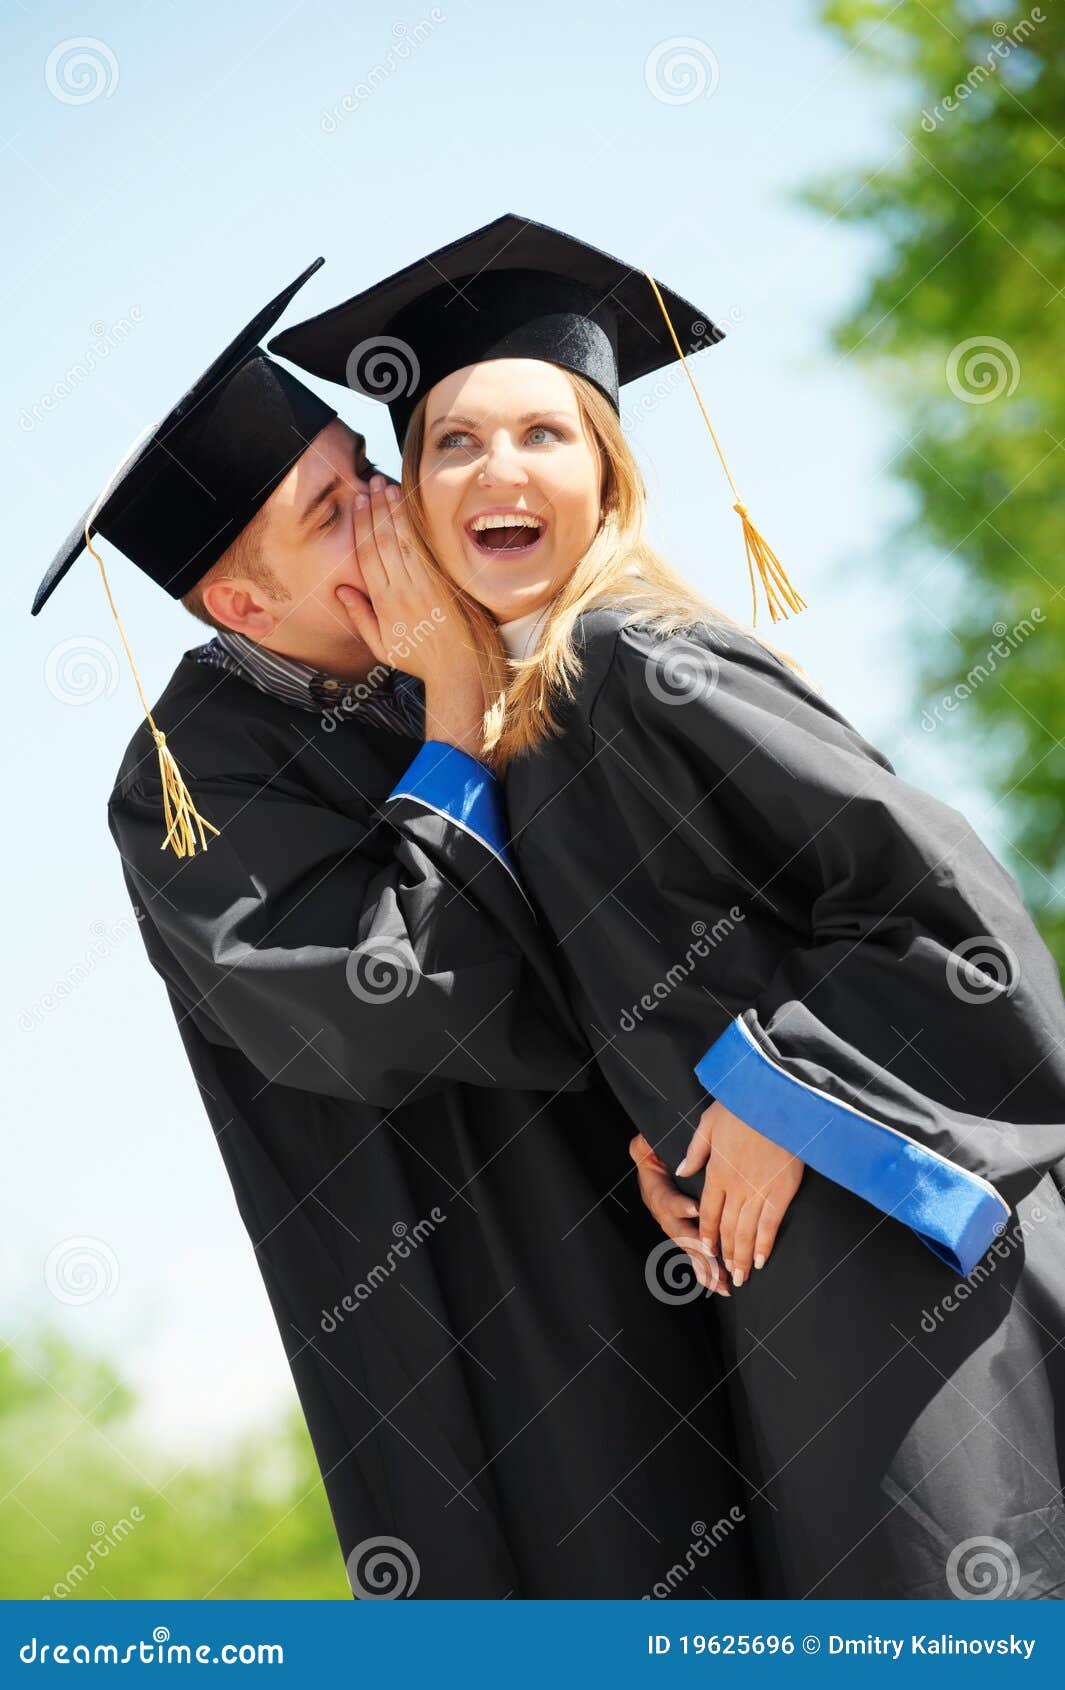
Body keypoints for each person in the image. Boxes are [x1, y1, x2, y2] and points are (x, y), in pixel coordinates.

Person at [274, 215, 1065, 1599]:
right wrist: (668, 1123)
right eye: (452, 442)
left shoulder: (635, 658)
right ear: (408, 495)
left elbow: (953, 914)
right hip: (795, 1270)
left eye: (541, 434)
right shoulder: (527, 720)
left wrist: (773, 1090)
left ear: (607, 474)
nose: (496, 470)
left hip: (914, 1252)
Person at [32, 259, 757, 1600]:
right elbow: (388, 997)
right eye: (332, 509)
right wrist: (453, 712)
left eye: (363, 468)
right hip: (498, 1322)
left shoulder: (502, 638)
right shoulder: (189, 776)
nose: (386, 507)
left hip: (716, 1226)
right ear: (242, 606)